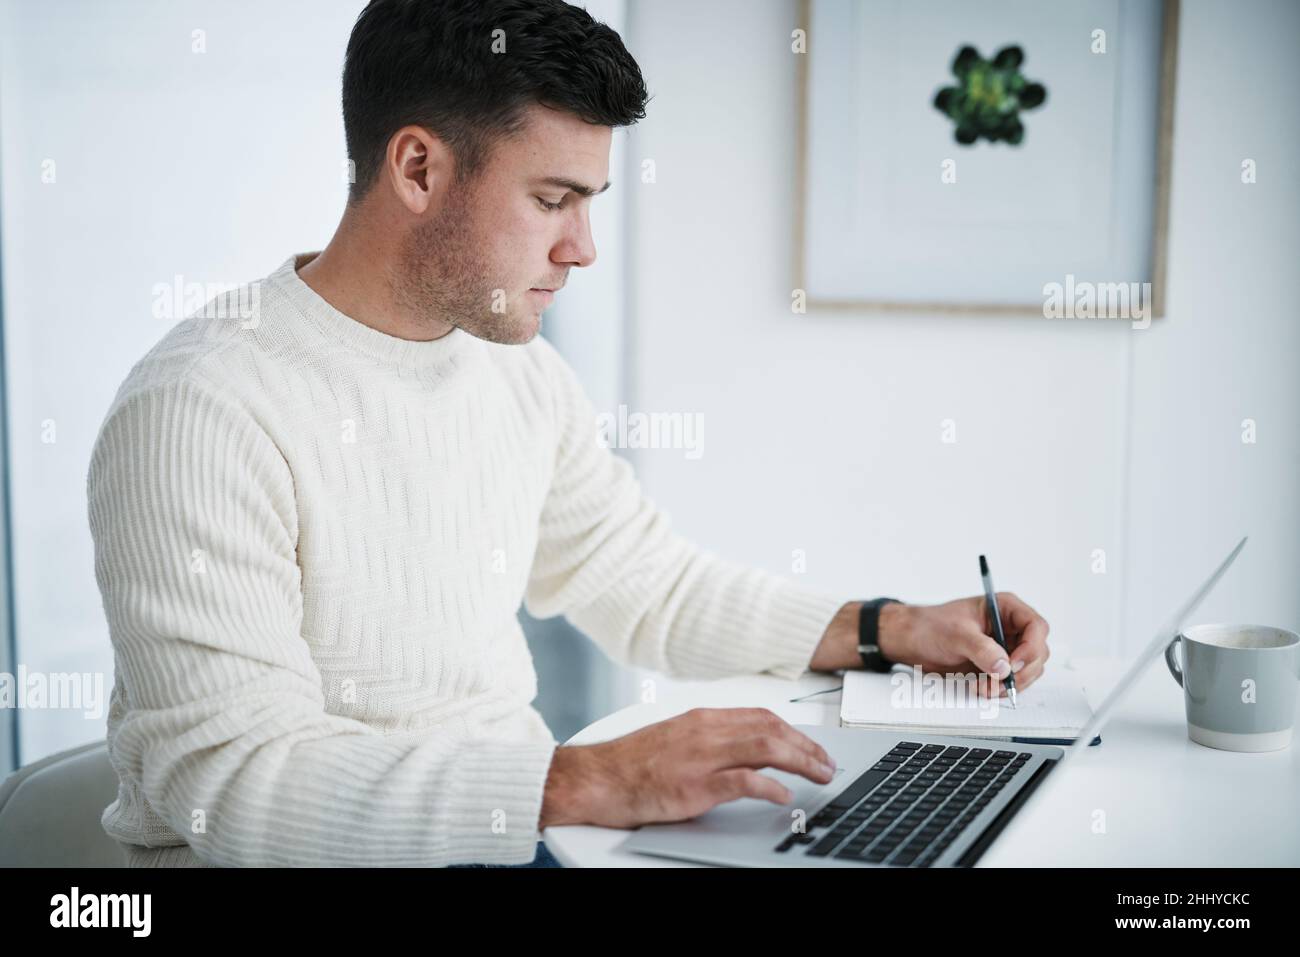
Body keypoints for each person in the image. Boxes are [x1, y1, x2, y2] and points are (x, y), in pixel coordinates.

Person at [87, 0, 1050, 869]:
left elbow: (649, 587)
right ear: (417, 168)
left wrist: (886, 630)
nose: (580, 246)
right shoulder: (203, 407)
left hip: (512, 842)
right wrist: (588, 781)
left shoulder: (517, 372)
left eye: (590, 203)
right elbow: (235, 786)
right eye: (551, 200)